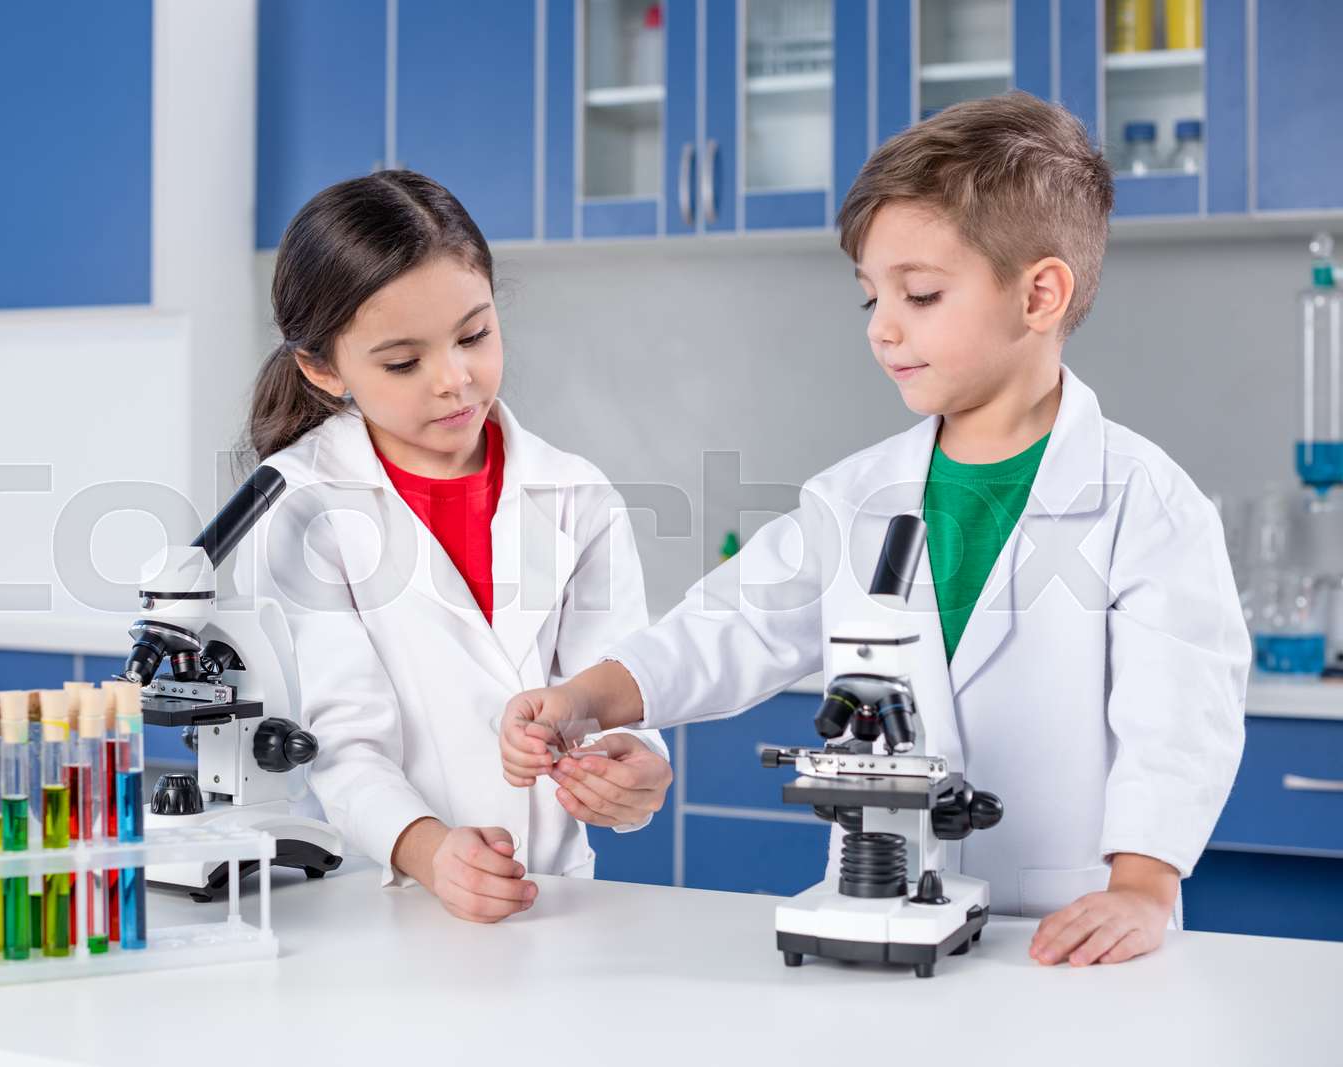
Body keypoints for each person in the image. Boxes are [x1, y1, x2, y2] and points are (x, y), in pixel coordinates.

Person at [500, 93, 1248, 966]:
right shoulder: (853, 497)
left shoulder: (1146, 502)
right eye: (871, 300)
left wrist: (1143, 885)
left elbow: (1180, 720)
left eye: (920, 294)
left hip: (1068, 930)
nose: (885, 329)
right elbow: (729, 625)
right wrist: (586, 698)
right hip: (886, 914)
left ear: (1040, 294)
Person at [243, 171, 673, 924]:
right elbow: (340, 741)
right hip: (379, 906)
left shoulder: (576, 494)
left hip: (553, 900)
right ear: (323, 369)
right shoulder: (302, 506)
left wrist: (632, 771)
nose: (455, 379)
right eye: (403, 362)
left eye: (474, 335)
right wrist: (430, 851)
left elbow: (615, 690)